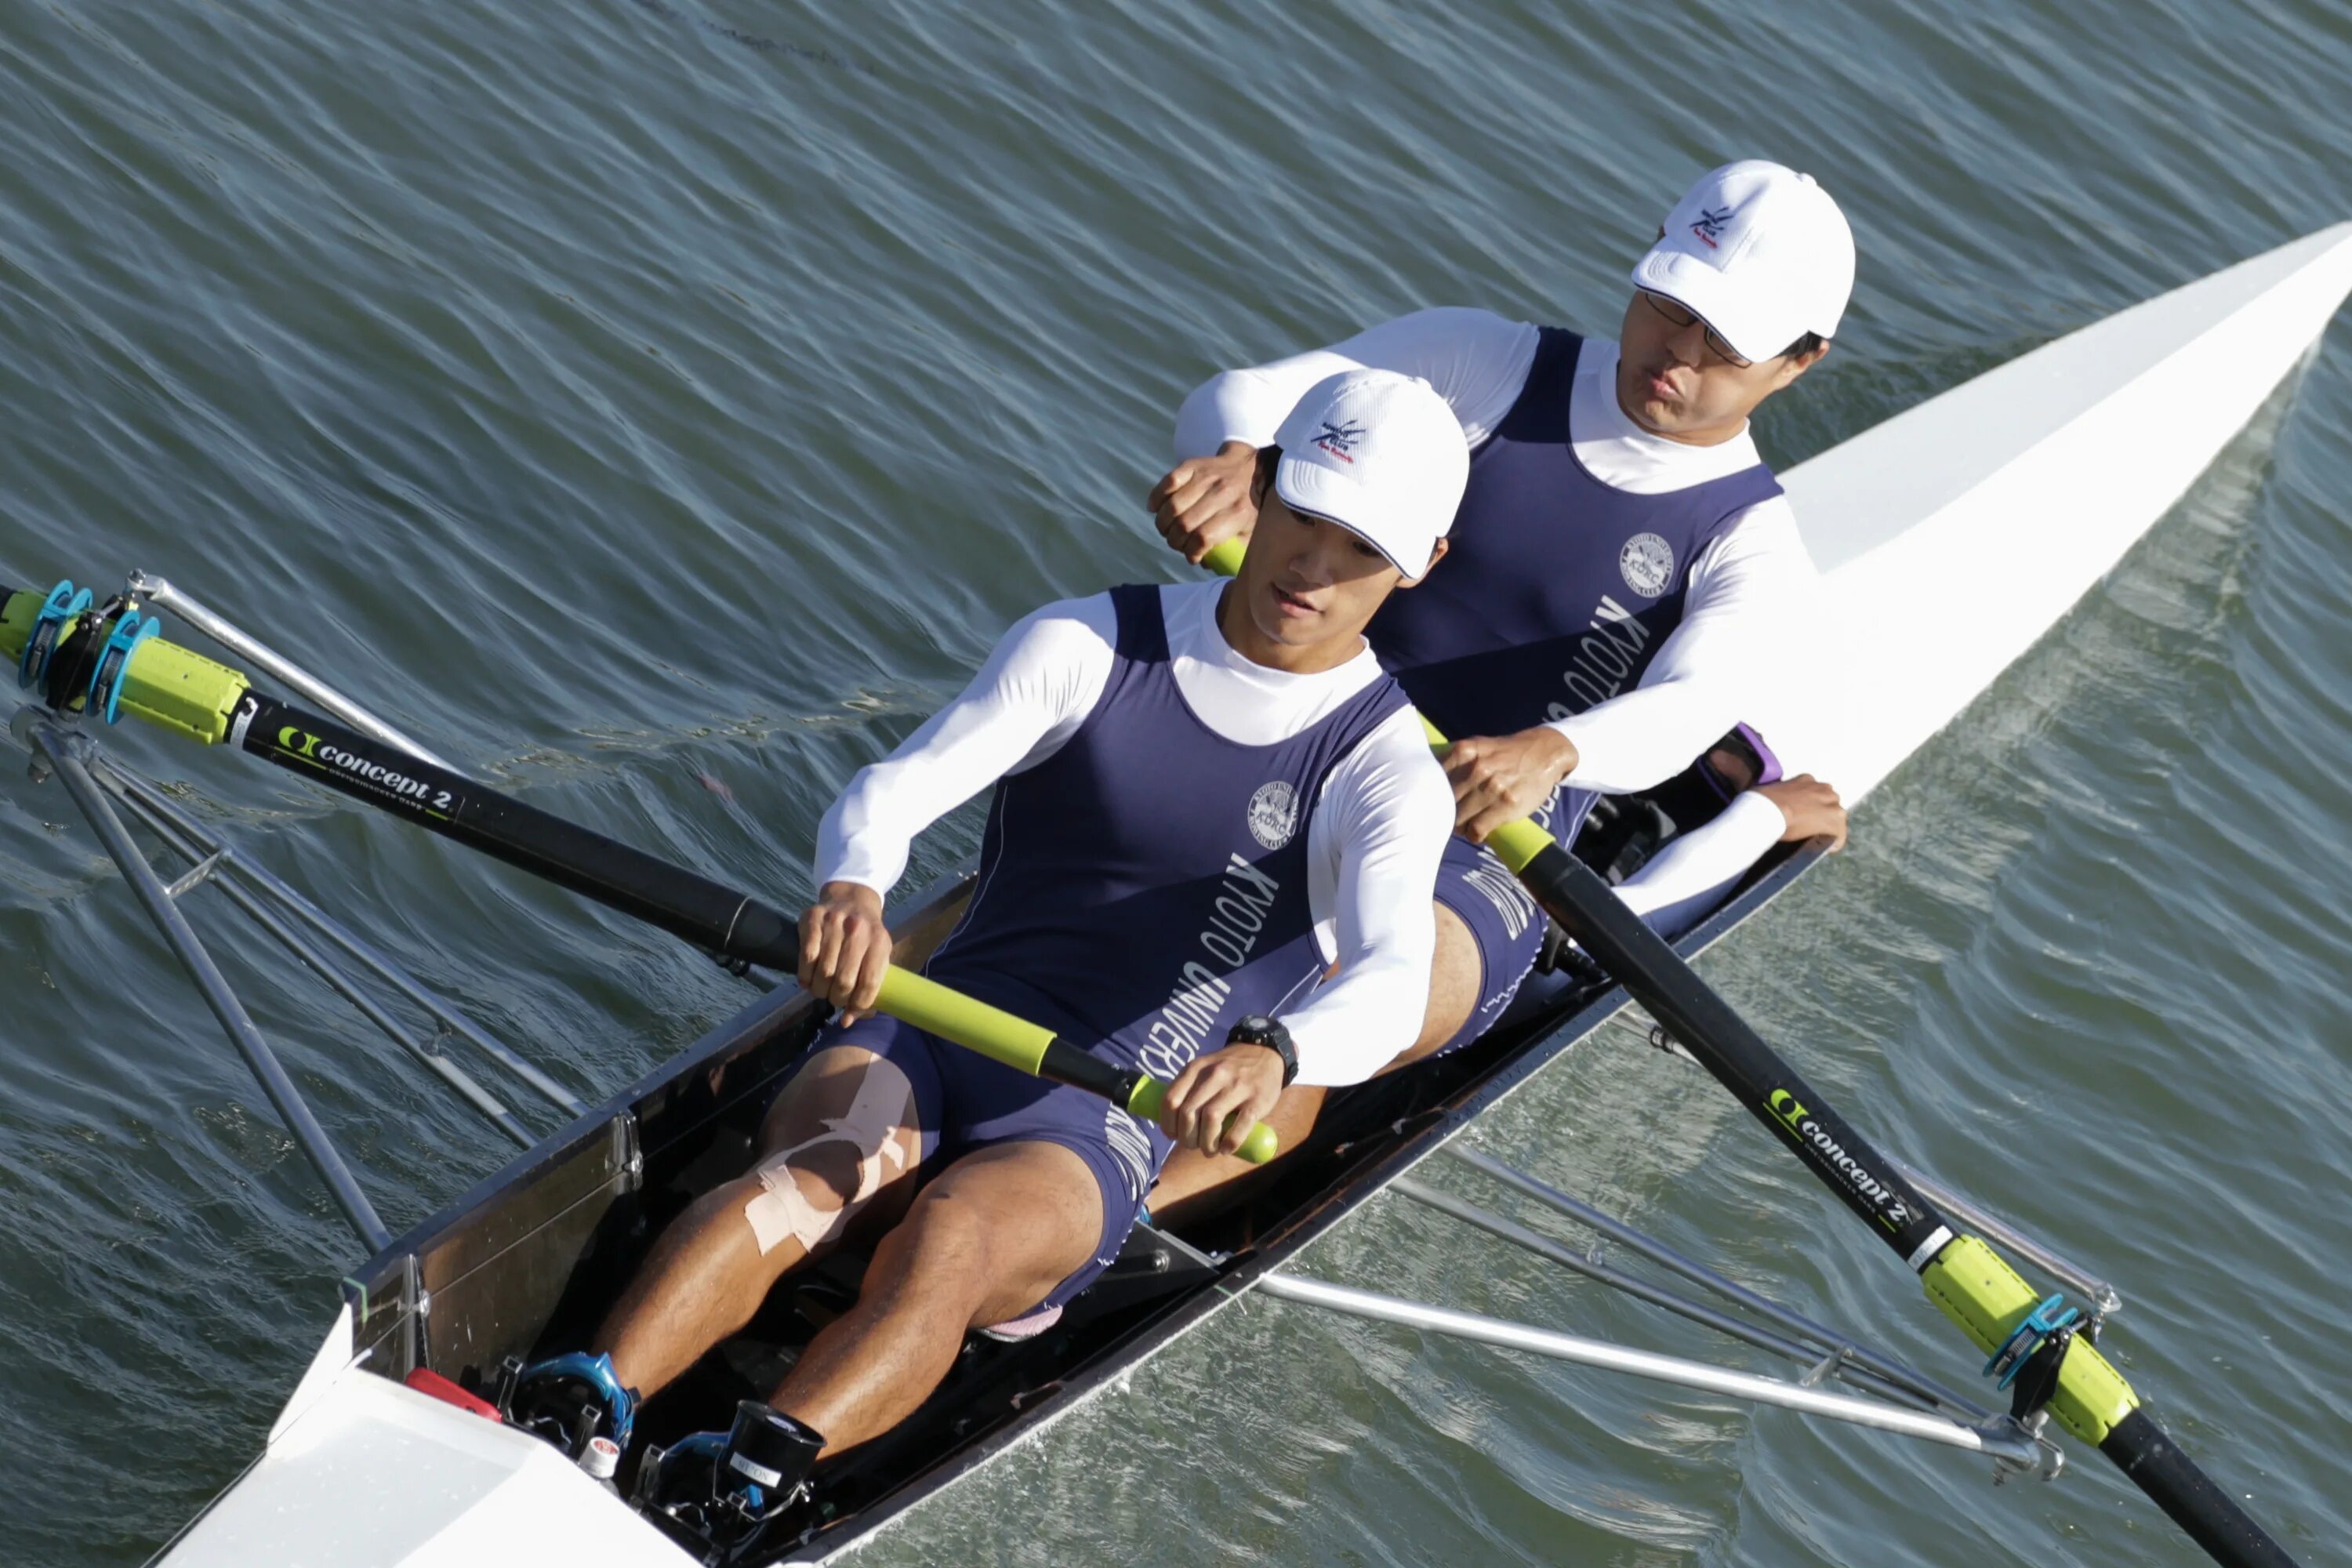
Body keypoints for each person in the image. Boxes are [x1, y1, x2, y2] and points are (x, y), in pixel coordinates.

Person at [512, 370, 1468, 1552]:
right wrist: (854, 888)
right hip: (933, 1027)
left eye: (1358, 548)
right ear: (1260, 485)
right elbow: (897, 789)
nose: (1312, 571)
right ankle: (583, 1402)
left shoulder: (1382, 771)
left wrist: (1280, 1051)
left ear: (1421, 560)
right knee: (818, 1166)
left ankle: (740, 1482)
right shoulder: (1089, 640)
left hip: (1101, 1124)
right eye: (1304, 517)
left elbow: (1388, 974)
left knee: (948, 1242)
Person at [1147, 158, 1856, 1072]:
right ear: (1650, 258)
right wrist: (1243, 460)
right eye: (1671, 306)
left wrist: (1558, 751)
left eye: (1725, 343)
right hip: (1291, 732)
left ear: (1801, 362)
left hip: (1479, 839)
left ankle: (1268, 1075)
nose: (1678, 353)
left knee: (1370, 969)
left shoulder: (1752, 546)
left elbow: (1689, 707)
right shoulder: (1484, 362)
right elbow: (1243, 395)